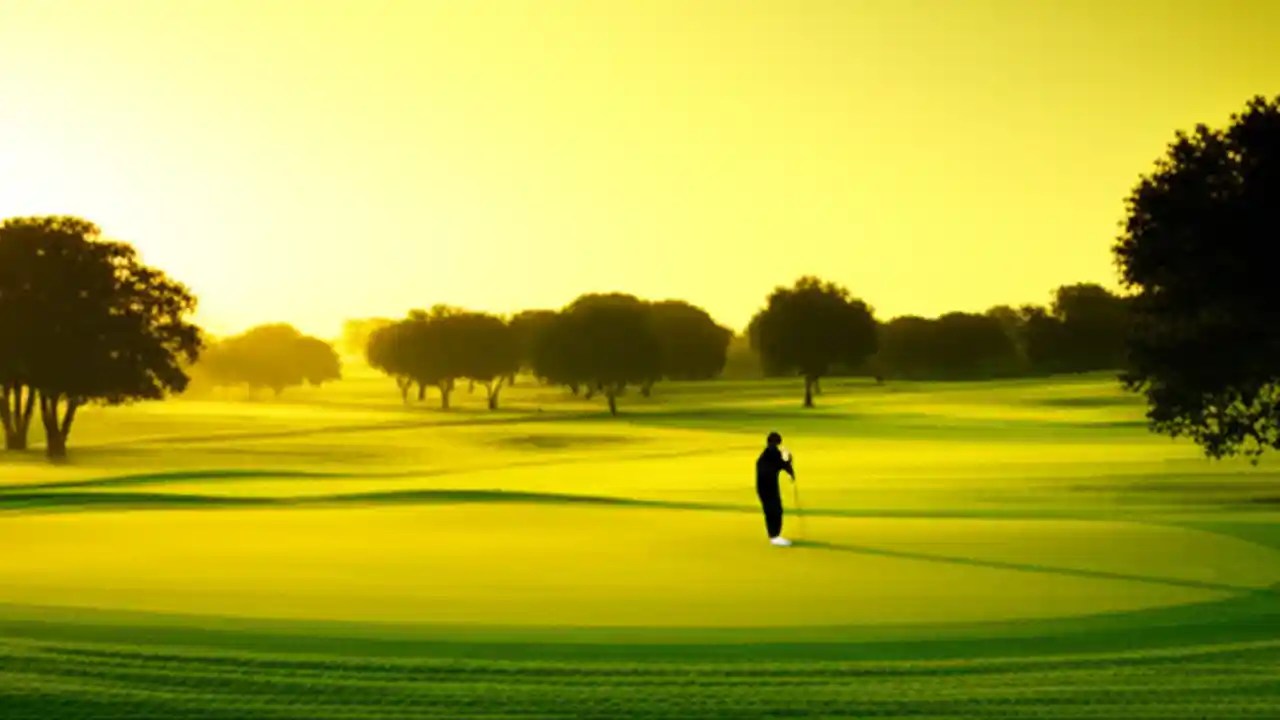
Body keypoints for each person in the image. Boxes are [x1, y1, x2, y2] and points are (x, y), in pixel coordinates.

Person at [756, 431, 795, 546]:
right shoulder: (768, 455)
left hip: (770, 486)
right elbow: (781, 464)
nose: (777, 446)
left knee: (776, 510)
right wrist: (788, 463)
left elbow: (782, 464)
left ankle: (775, 535)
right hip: (766, 487)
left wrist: (789, 465)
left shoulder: (772, 453)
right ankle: (774, 536)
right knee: (772, 511)